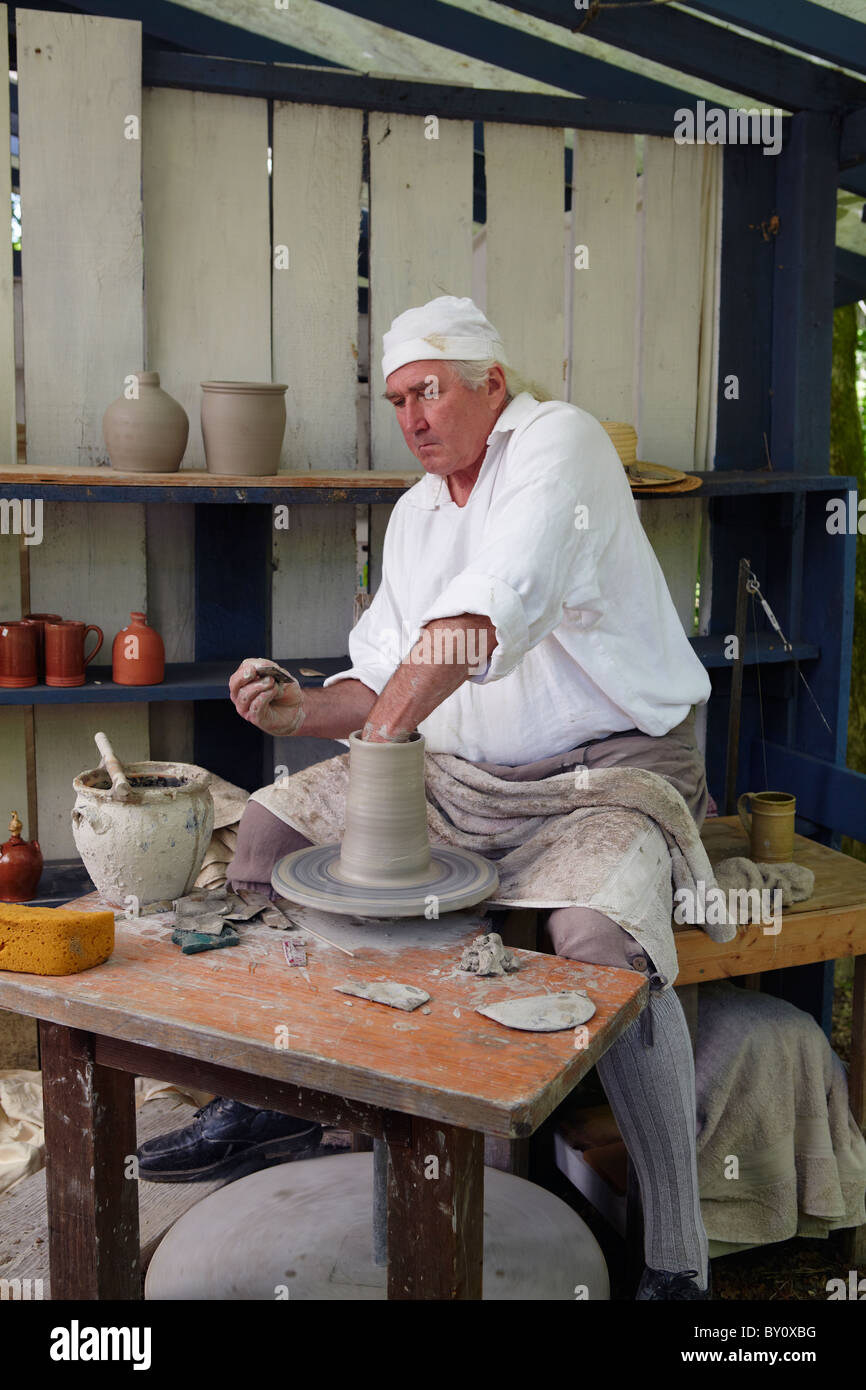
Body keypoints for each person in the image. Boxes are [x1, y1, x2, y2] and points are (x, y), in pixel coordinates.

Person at [140, 295, 714, 1300]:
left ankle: (676, 1251)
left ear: (492, 383)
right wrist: (299, 710)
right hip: (458, 771)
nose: (410, 415)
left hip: (607, 768)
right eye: (397, 397)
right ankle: (284, 1096)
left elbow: (489, 607)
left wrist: (386, 724)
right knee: (270, 833)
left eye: (429, 389)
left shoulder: (556, 445)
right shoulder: (412, 515)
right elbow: (380, 682)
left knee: (596, 932)